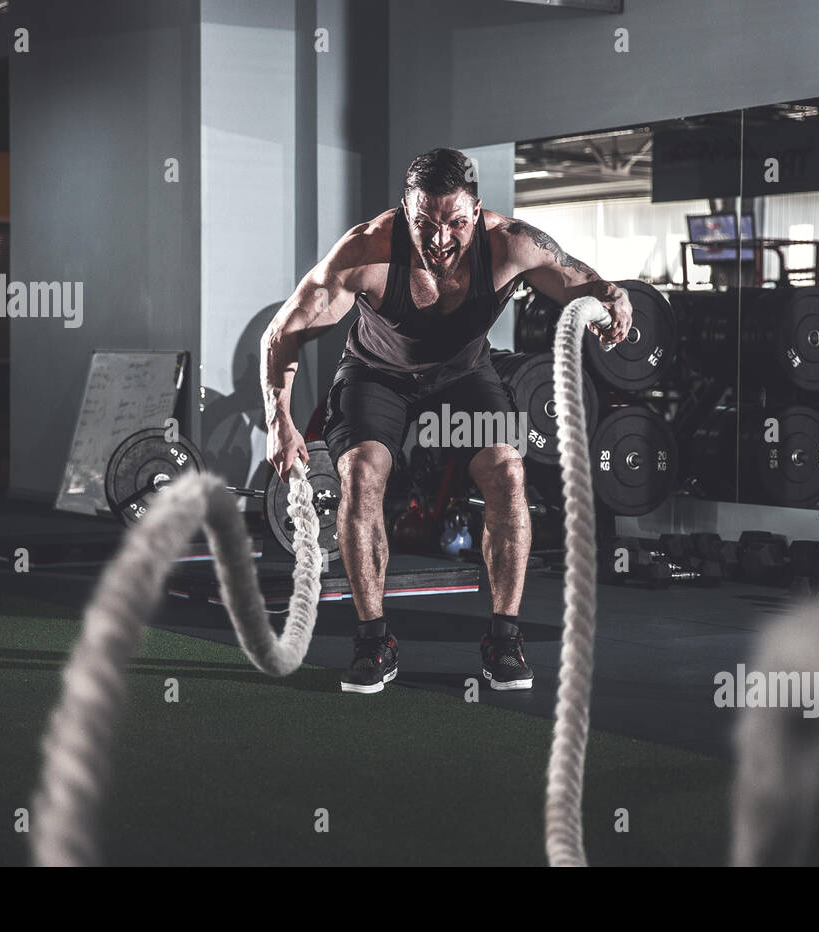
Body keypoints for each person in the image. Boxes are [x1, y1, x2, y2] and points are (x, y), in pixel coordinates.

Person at [261, 147, 631, 694]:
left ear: (477, 213)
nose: (440, 240)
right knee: (361, 474)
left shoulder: (511, 245)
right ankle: (373, 640)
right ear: (405, 212)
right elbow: (283, 331)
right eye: (425, 225)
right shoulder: (366, 253)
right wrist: (279, 420)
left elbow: (576, 279)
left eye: (456, 223)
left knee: (507, 471)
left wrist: (610, 296)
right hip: (375, 375)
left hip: (462, 377)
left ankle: (504, 639)